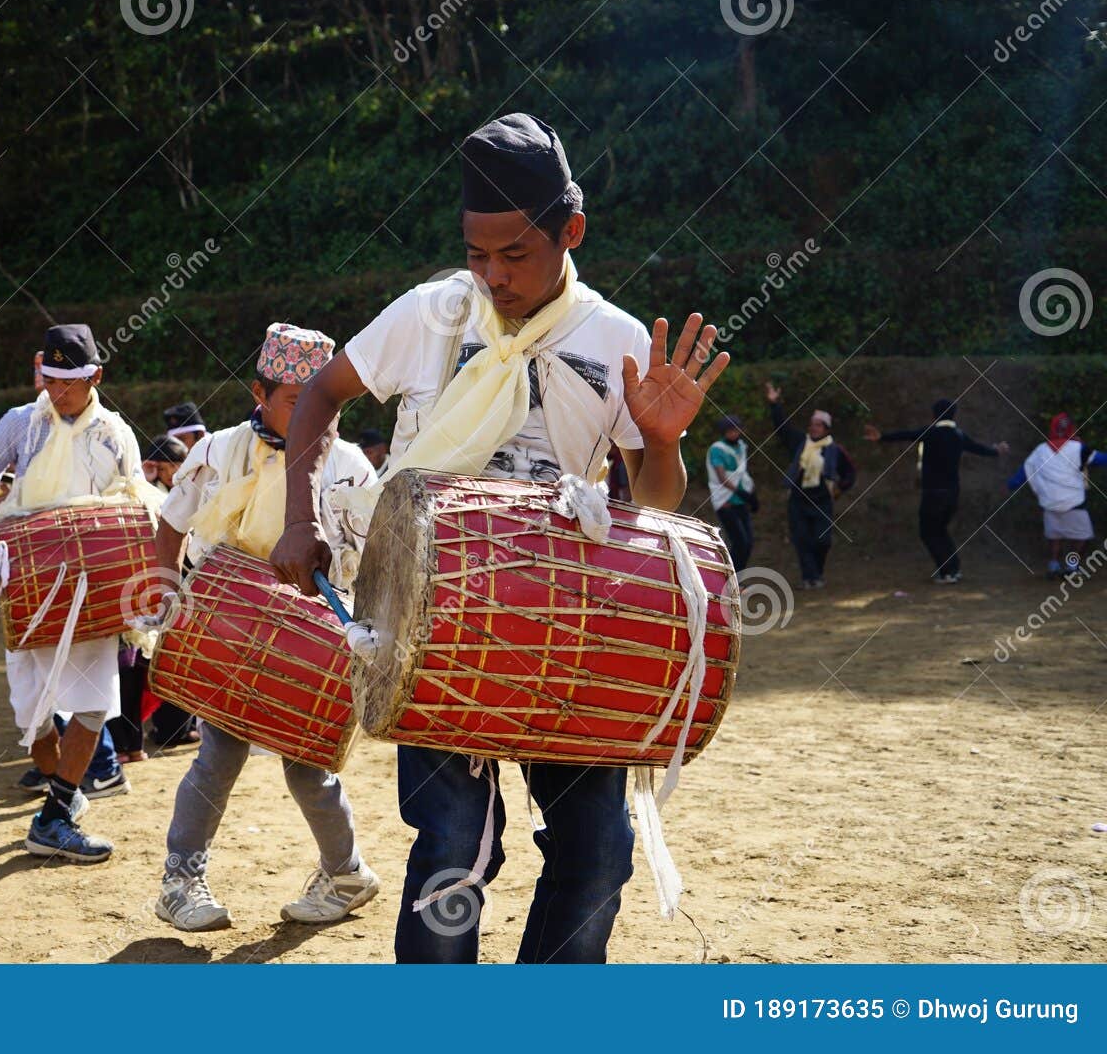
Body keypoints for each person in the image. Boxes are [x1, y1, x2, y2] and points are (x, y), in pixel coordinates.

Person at [269, 112, 729, 964]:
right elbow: (317, 397)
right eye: (477, 253)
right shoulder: (429, 314)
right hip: (428, 628)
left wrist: (658, 444)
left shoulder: (617, 338)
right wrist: (301, 516)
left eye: (513, 254)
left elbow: (654, 507)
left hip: (565, 630)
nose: (491, 275)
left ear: (571, 232)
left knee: (598, 853)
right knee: (452, 848)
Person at [149, 323, 380, 931]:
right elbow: (173, 524)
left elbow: (372, 560)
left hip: (315, 633)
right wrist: (165, 591)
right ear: (259, 391)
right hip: (227, 625)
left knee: (310, 762)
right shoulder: (216, 450)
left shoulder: (352, 465)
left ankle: (347, 872)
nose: (313, 415)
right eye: (294, 402)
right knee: (217, 756)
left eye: (324, 402)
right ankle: (181, 879)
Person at [0, 324, 146, 863]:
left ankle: (55, 814)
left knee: (94, 707)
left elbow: (133, 506)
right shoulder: (19, 423)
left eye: (67, 382)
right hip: (27, 585)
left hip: (93, 590)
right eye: (48, 378)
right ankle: (65, 797)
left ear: (95, 376)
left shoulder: (115, 434)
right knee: (33, 717)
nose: (54, 391)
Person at [863, 399, 1008, 583]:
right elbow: (979, 448)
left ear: (934, 415)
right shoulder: (959, 435)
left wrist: (881, 437)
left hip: (933, 493)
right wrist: (996, 451)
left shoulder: (930, 433)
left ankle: (947, 571)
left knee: (928, 532)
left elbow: (906, 435)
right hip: (952, 493)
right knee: (940, 530)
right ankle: (953, 568)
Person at [766, 381, 853, 589]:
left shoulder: (834, 449)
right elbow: (782, 428)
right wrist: (774, 404)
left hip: (822, 498)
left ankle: (817, 572)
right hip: (798, 497)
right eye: (812, 424)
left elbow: (850, 473)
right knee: (801, 539)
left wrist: (840, 489)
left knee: (823, 541)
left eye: (818, 424)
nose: (813, 427)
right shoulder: (800, 442)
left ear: (826, 428)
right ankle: (810, 578)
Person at [1007, 413, 1105, 576]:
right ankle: (1071, 566)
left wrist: (1011, 484)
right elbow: (1101, 460)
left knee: (1055, 535)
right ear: (1071, 429)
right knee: (1082, 536)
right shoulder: (1079, 449)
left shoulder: (1040, 450)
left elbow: (1023, 473)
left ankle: (1053, 565)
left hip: (1050, 503)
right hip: (1074, 504)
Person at [707, 414, 755, 571]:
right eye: (730, 430)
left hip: (740, 501)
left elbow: (742, 473)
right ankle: (730, 577)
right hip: (725, 501)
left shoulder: (741, 446)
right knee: (739, 541)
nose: (734, 433)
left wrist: (750, 495)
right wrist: (740, 492)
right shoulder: (717, 449)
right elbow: (721, 477)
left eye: (736, 430)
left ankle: (738, 576)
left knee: (748, 542)